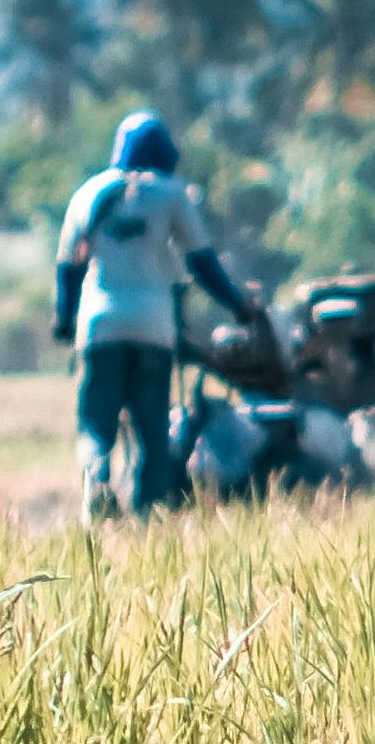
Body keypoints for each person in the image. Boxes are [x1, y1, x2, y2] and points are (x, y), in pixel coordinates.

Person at [52, 107, 262, 520]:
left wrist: (64, 321)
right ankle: (148, 517)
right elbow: (202, 264)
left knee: (96, 426)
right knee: (151, 429)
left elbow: (68, 268)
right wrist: (238, 305)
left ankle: (97, 483)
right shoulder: (171, 195)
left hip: (101, 325)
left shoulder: (89, 193)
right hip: (154, 327)